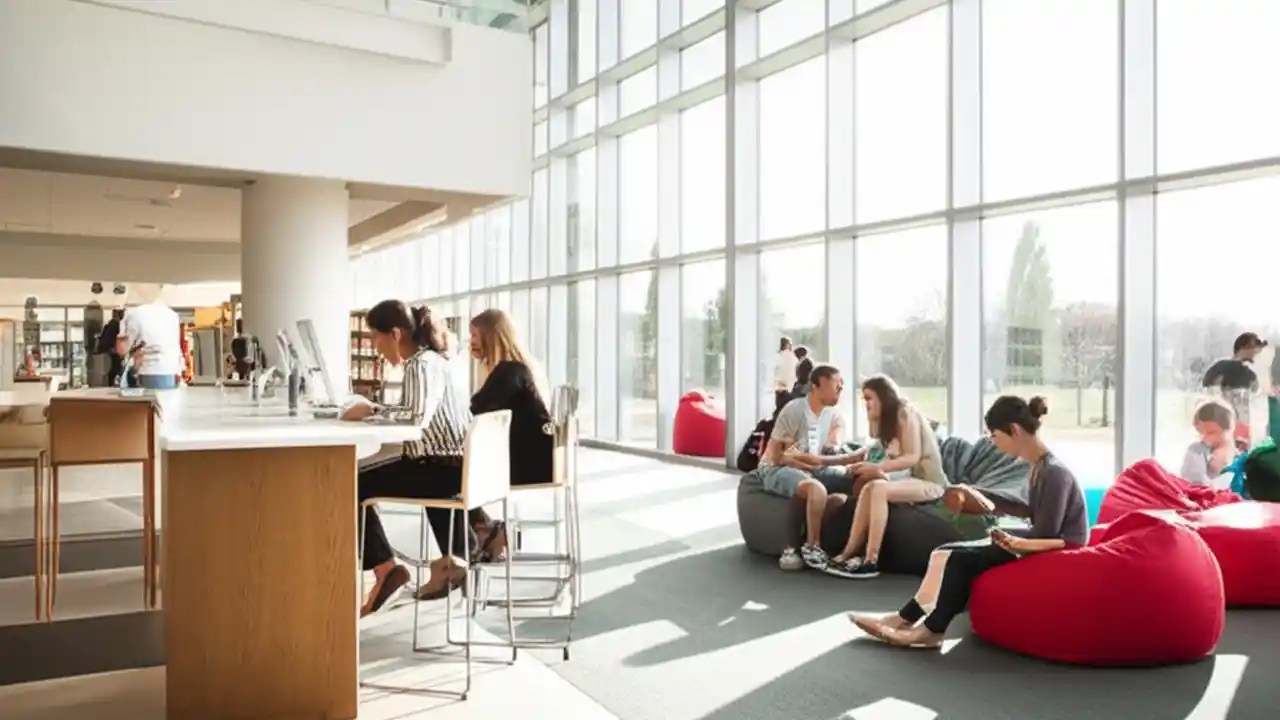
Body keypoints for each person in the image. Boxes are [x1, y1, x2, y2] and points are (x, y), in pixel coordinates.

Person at [849, 396, 1088, 649]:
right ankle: (903, 618)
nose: (993, 443)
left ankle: (932, 631)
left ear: (1014, 431)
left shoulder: (1054, 473)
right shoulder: (1038, 467)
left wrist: (1009, 541)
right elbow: (1029, 511)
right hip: (1041, 539)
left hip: (1056, 550)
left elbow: (1046, 533)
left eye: (994, 436)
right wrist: (977, 497)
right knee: (943, 553)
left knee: (959, 560)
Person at [344, 300, 473, 614]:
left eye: (375, 337)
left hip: (437, 470)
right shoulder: (437, 361)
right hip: (453, 467)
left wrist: (371, 410)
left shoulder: (420, 364)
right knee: (365, 472)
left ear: (396, 333)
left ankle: (386, 570)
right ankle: (443, 560)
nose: (375, 347)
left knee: (349, 483)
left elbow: (416, 418)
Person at [822, 375, 947, 579]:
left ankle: (871, 559)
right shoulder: (887, 421)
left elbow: (912, 457)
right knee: (872, 488)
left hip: (931, 484)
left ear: (883, 396)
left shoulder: (905, 413)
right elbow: (889, 460)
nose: (866, 403)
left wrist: (876, 467)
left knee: (878, 488)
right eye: (864, 398)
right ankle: (847, 552)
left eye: (869, 398)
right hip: (909, 481)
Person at [463, 309, 556, 562]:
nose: (469, 341)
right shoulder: (518, 369)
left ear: (491, 337)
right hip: (538, 461)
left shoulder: (510, 371)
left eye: (474, 335)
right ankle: (485, 530)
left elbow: (476, 410)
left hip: (528, 466)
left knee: (446, 475)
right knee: (449, 473)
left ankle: (481, 534)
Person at [754, 364, 862, 571]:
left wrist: (842, 462)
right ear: (816, 386)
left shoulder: (832, 415)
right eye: (835, 384)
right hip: (776, 467)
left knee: (854, 477)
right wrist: (834, 461)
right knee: (815, 488)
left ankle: (851, 546)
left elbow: (822, 453)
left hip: (808, 467)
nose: (840, 388)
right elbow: (781, 457)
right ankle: (813, 547)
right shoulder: (794, 411)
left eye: (842, 385)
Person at [1202, 332, 1267, 444]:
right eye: (1253, 347)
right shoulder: (1221, 368)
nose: (1256, 353)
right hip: (1223, 427)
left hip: (1241, 429)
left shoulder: (1250, 374)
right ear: (1243, 347)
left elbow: (1256, 400)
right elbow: (1210, 391)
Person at [115, 300, 182, 389]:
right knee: (165, 400)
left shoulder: (134, 314)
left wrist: (122, 328)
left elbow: (122, 350)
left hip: (149, 371)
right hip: (171, 371)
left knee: (149, 400)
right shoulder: (171, 315)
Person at [1180, 399, 1237, 486]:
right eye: (1200, 433)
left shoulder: (1238, 456)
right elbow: (1192, 482)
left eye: (1211, 433)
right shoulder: (1197, 451)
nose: (1205, 438)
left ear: (1227, 431)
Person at [97, 308, 125, 386]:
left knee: (114, 368)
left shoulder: (110, 324)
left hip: (109, 350)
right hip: (113, 349)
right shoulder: (115, 324)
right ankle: (114, 383)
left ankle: (111, 383)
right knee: (117, 368)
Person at [773, 336, 798, 413]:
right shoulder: (793, 358)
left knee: (779, 411)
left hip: (779, 389)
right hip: (789, 389)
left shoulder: (778, 357)